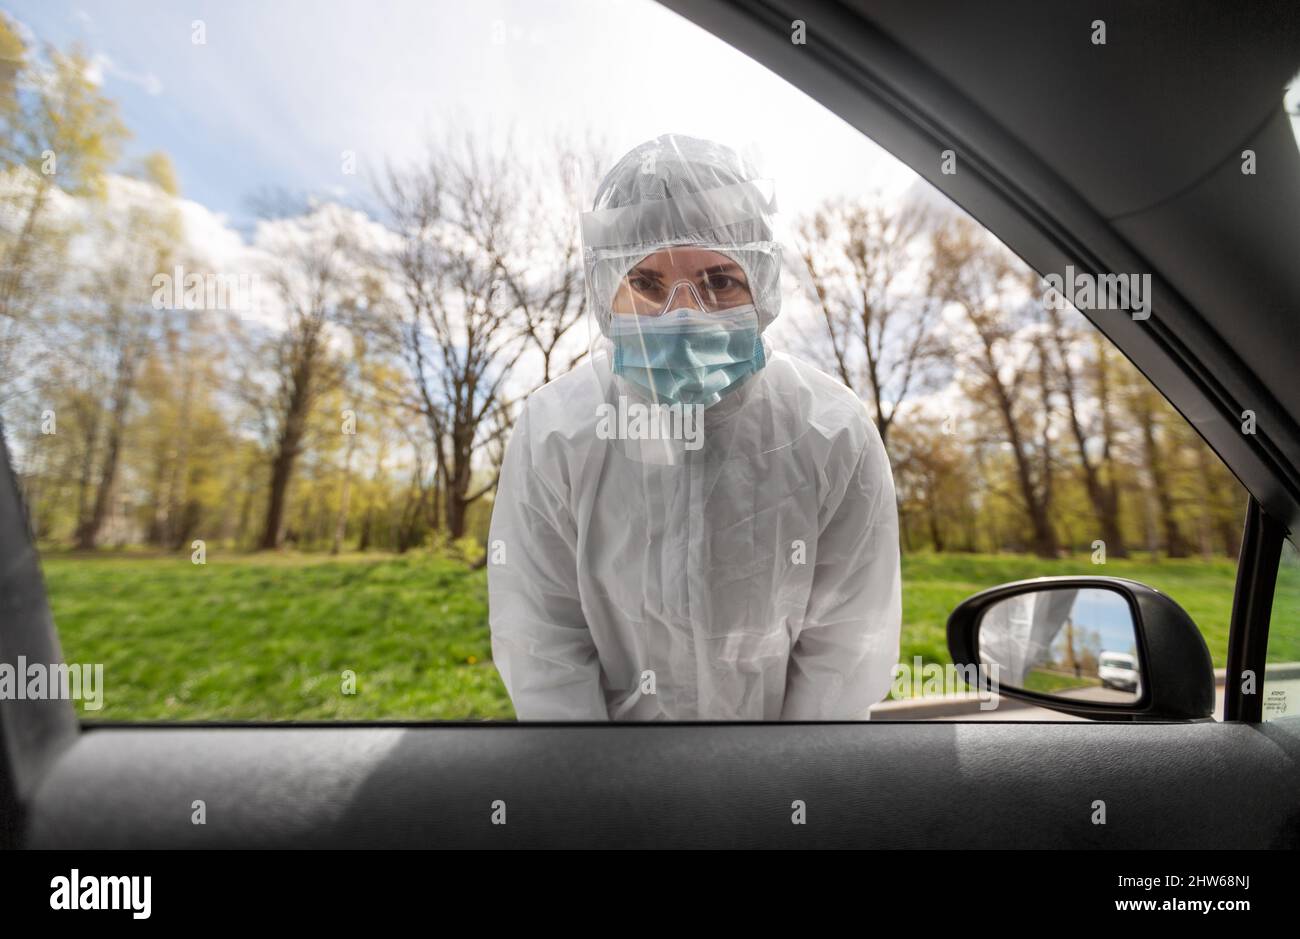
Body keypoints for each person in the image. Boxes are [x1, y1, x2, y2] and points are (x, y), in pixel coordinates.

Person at [487, 133, 901, 720]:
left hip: (779, 769)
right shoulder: (558, 429)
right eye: (645, 283)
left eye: (718, 281)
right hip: (609, 770)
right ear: (605, 292)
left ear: (762, 285)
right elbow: (542, 641)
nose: (683, 314)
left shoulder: (831, 429)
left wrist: (794, 772)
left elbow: (845, 648)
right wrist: (593, 773)